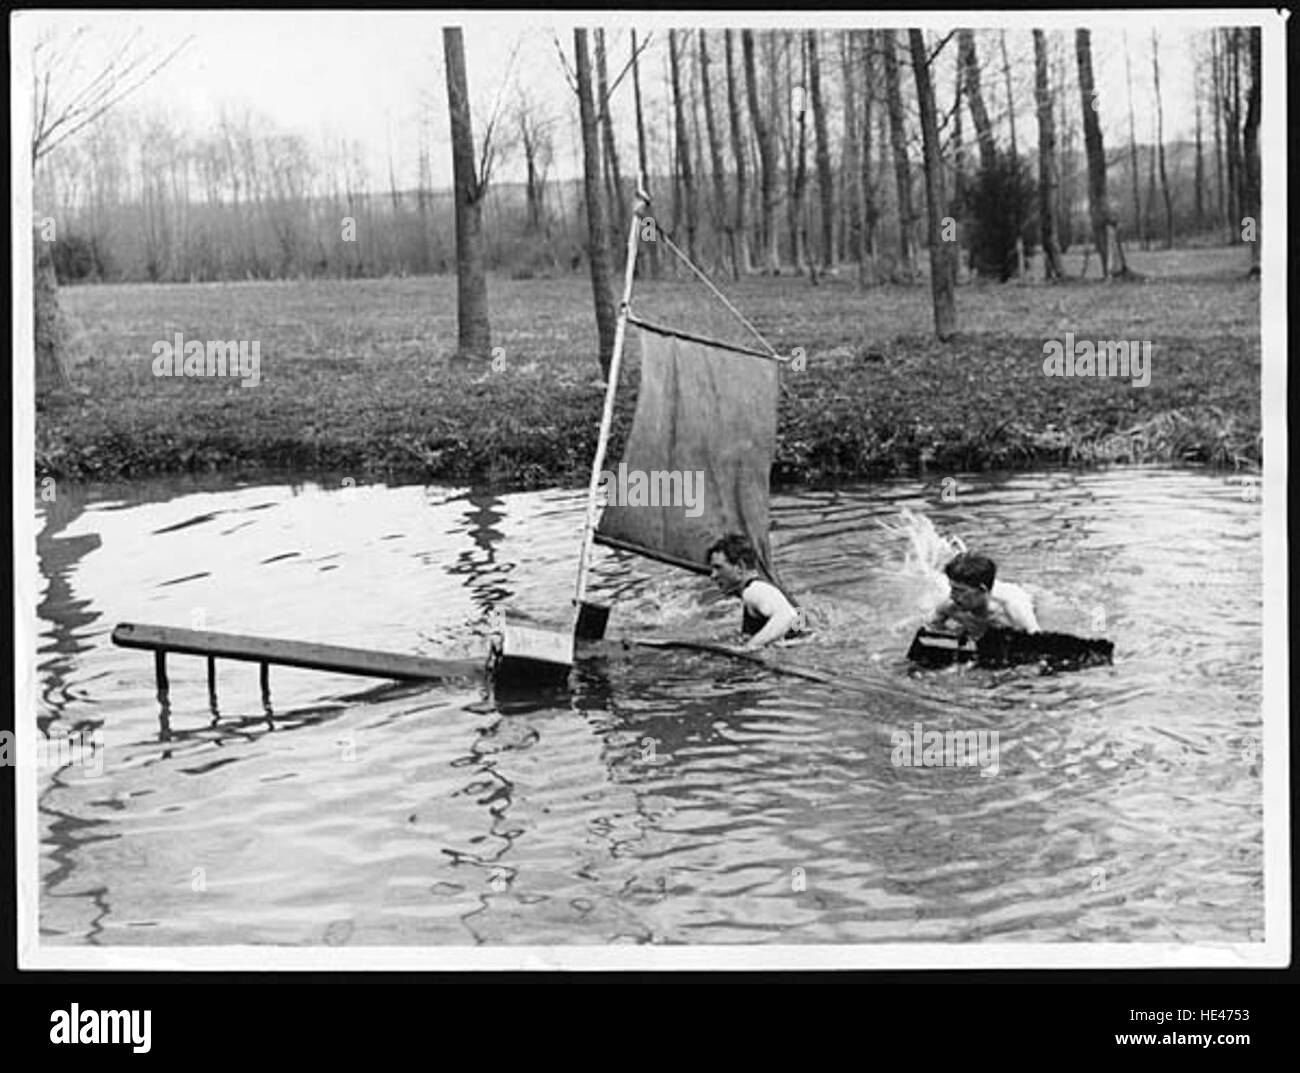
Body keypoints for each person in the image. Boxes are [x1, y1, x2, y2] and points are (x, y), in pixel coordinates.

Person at [706, 533, 803, 651]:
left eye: (718, 567)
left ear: (740, 566)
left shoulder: (754, 590)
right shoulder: (767, 586)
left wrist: (748, 647)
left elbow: (786, 616)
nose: (713, 575)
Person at [925, 552, 1039, 639]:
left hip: (1029, 596)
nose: (952, 595)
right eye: (952, 588)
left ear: (982, 590)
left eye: (960, 590)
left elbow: (1038, 641)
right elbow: (931, 629)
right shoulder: (950, 606)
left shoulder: (1012, 609)